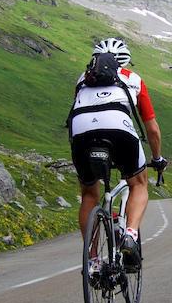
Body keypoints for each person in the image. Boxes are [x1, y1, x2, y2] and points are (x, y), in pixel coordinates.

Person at [68, 37, 166, 265]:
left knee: (89, 194)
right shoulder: (133, 79)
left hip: (81, 131)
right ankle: (130, 234)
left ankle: (92, 261)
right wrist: (157, 158)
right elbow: (151, 128)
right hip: (119, 127)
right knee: (138, 184)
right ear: (125, 61)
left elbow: (79, 111)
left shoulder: (83, 79)